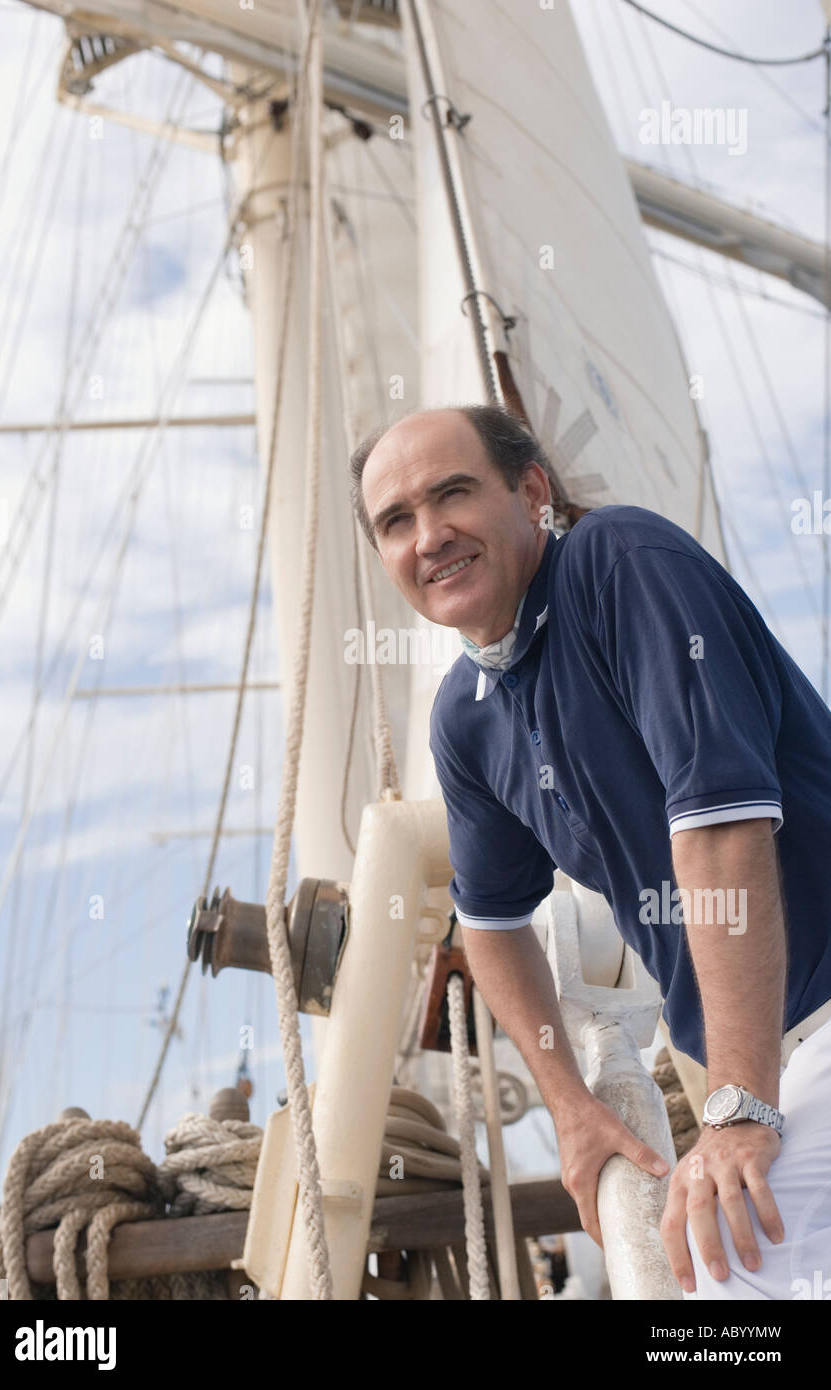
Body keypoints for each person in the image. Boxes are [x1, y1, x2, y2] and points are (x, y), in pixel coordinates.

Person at [349, 402, 831, 1300]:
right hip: (787, 1062)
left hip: (816, 1027)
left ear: (530, 491)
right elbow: (489, 924)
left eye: (453, 494)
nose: (430, 536)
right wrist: (571, 1107)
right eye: (396, 522)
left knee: (729, 1290)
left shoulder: (620, 564)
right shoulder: (464, 716)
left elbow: (721, 828)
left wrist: (733, 1108)